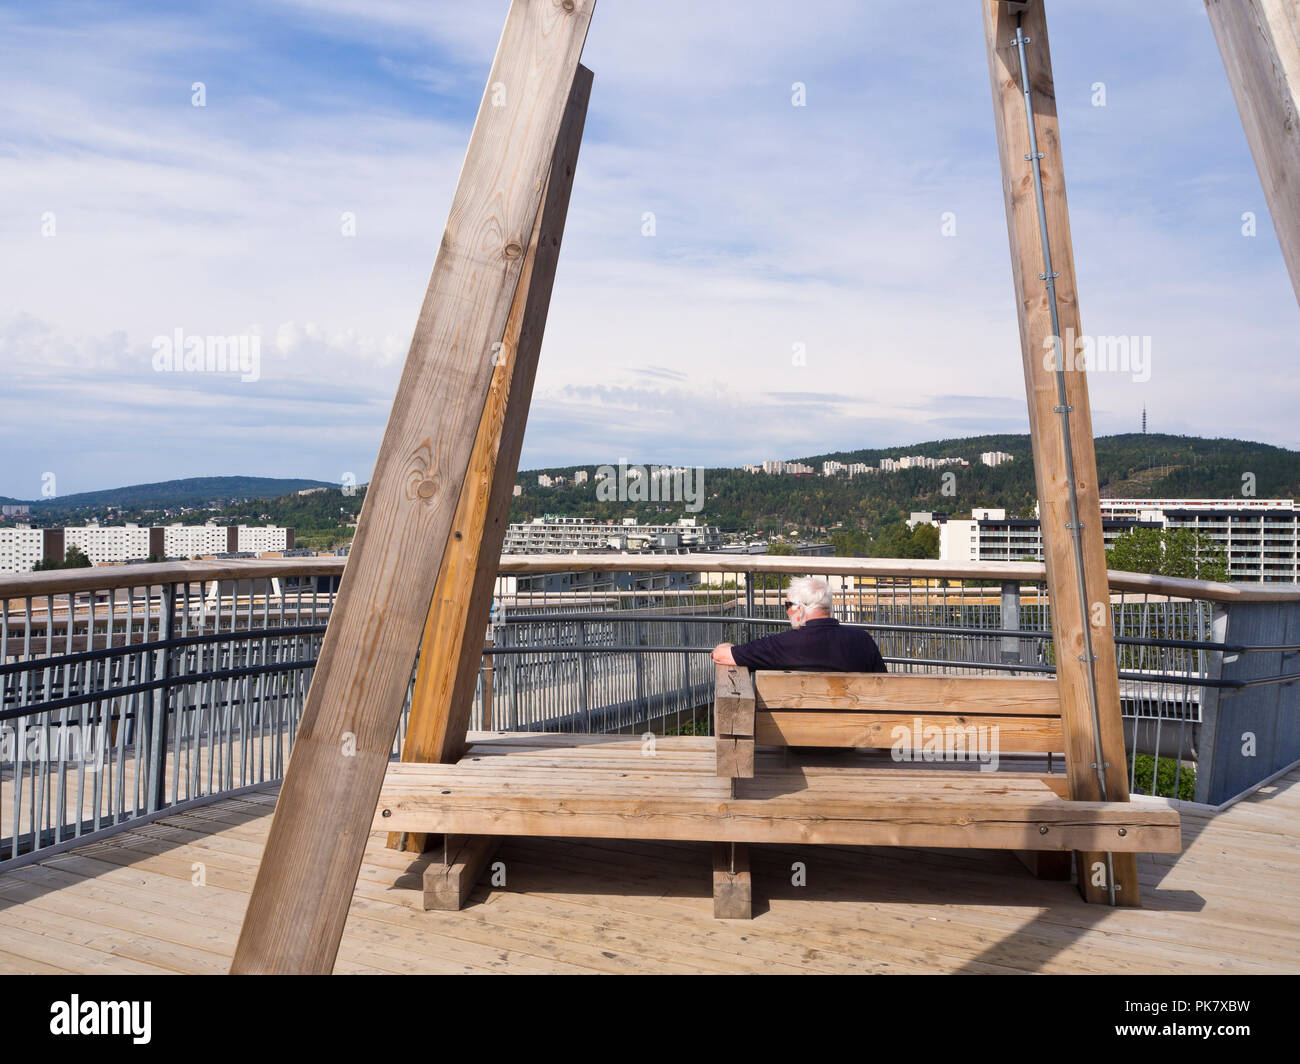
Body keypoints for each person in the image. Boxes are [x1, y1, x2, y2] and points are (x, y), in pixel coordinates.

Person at [710, 575, 886, 672]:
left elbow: (720, 655)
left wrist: (727, 644)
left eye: (788, 605)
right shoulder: (863, 640)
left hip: (795, 736)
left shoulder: (782, 645)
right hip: (858, 733)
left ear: (799, 609)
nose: (787, 611)